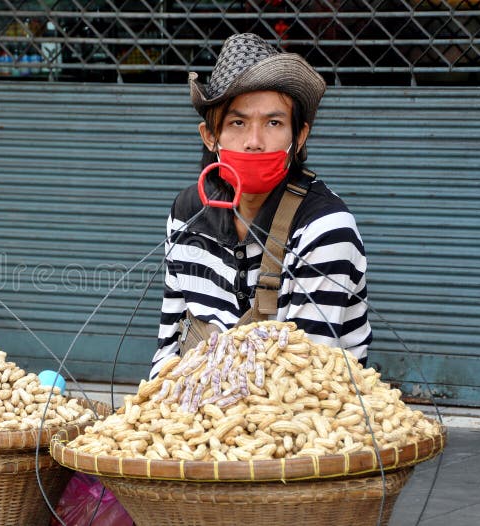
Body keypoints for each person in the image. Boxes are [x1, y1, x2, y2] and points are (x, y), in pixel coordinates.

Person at [151, 33, 372, 379]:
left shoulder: (324, 229)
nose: (254, 142)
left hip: (300, 418)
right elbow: (170, 346)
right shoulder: (187, 214)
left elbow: (305, 378)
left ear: (298, 137)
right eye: (237, 123)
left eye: (273, 123)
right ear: (211, 136)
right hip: (204, 415)